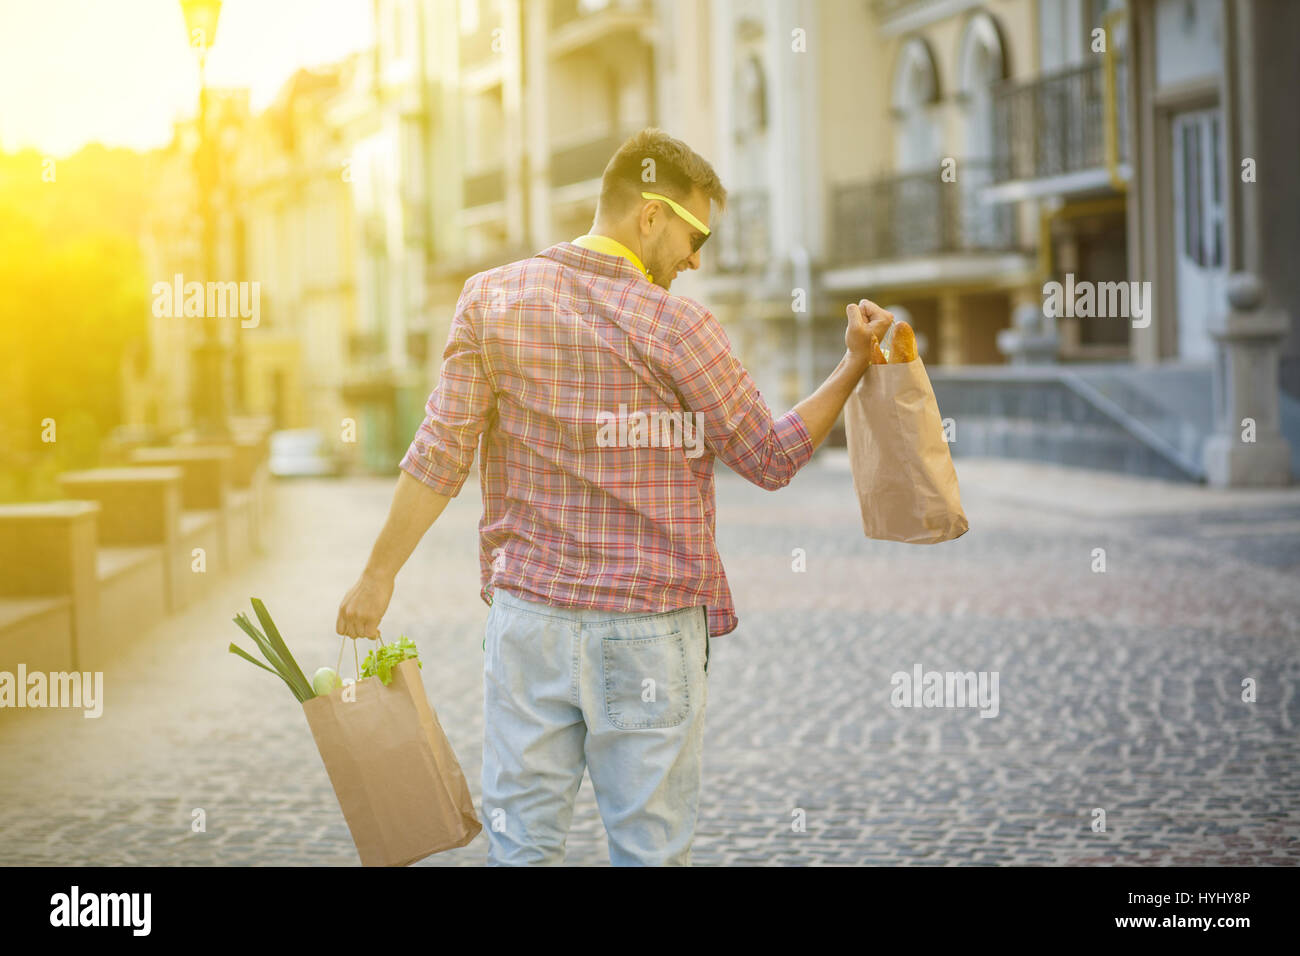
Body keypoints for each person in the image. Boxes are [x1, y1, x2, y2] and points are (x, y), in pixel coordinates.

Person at [336, 127, 893, 866]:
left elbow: (440, 452)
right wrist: (853, 365)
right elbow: (769, 456)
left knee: (523, 846)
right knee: (649, 851)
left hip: (530, 622)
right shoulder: (681, 326)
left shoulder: (491, 298)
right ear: (651, 215)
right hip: (650, 631)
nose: (696, 259)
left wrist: (378, 577)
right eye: (695, 236)